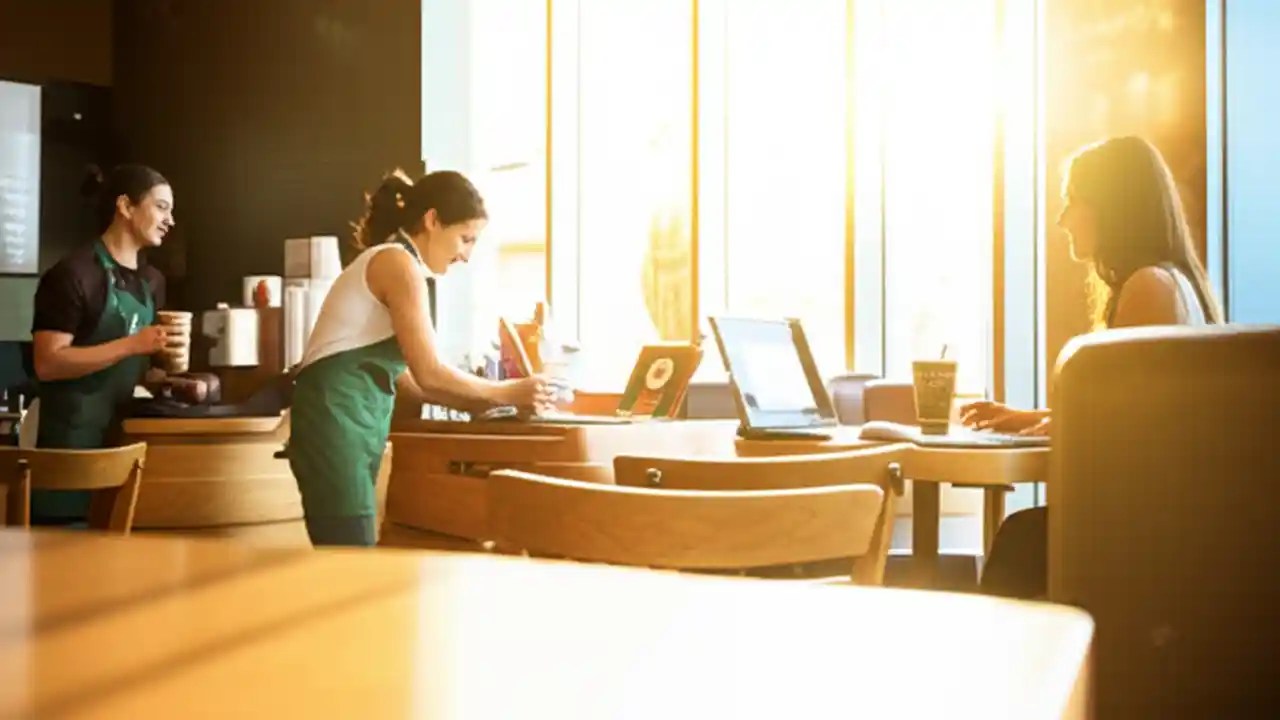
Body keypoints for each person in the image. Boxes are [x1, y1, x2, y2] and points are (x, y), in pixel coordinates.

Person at [962, 136, 1223, 598]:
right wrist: (1034, 419)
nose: (1062, 219)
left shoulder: (1149, 286)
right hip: (1176, 526)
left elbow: (1124, 429)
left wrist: (1050, 423)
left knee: (1021, 540)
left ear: (1111, 206)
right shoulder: (1172, 281)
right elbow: (1140, 412)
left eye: (1072, 201)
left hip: (1142, 533)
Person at [287, 169, 551, 547]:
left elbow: (405, 381)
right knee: (348, 565)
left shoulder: (393, 261)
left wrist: (479, 401)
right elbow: (429, 373)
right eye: (465, 239)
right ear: (432, 220)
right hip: (337, 426)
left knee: (348, 563)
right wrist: (510, 392)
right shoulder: (399, 265)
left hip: (344, 424)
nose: (466, 255)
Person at [28, 164, 174, 523]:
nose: (169, 220)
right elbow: (47, 363)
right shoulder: (74, 275)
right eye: (161, 207)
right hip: (70, 445)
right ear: (125, 206)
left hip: (123, 445)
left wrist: (168, 376)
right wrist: (131, 345)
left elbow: (137, 368)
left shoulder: (152, 282)